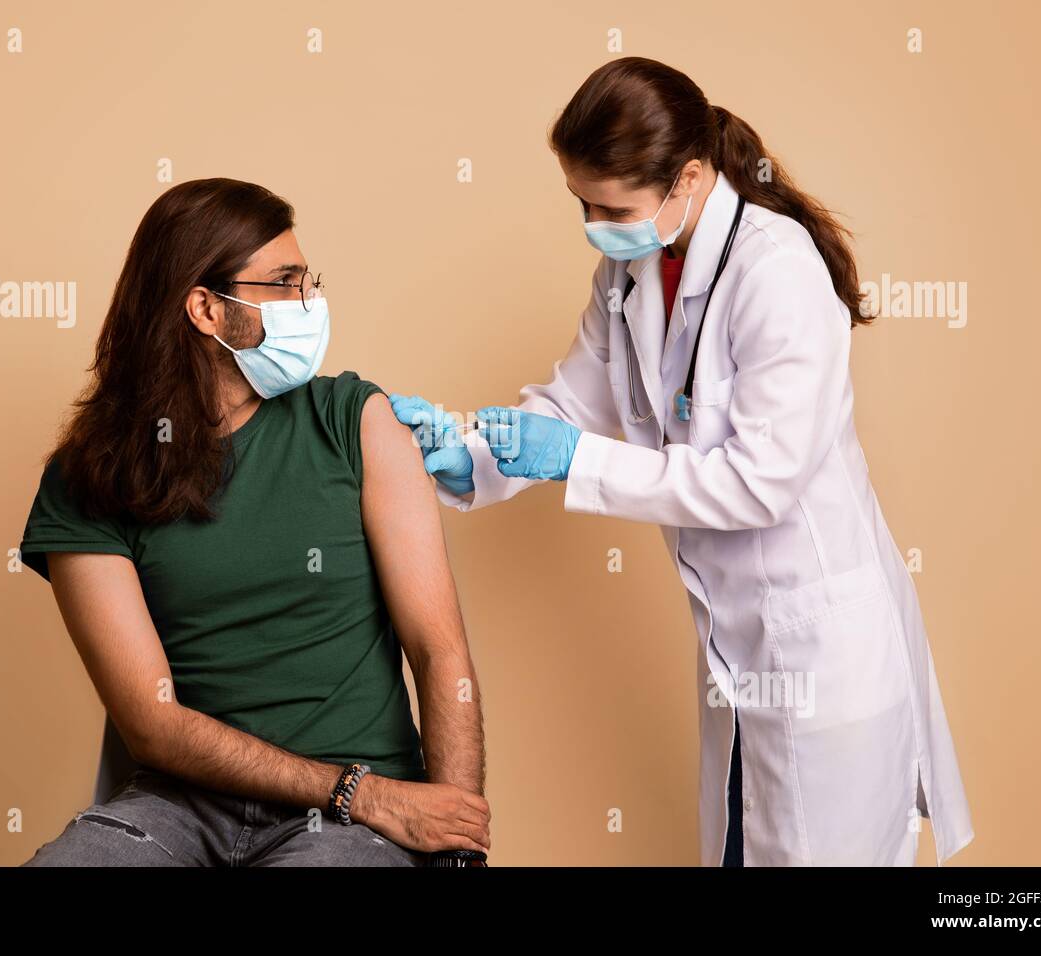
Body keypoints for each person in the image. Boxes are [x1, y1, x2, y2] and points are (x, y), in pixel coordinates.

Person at [391, 57, 973, 866]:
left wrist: (577, 462)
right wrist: (469, 455)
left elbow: (760, 482)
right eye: (581, 203)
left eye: (609, 206)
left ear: (689, 178)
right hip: (738, 663)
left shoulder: (777, 271)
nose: (593, 224)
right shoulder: (629, 272)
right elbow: (571, 404)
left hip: (820, 655)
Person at [18, 178, 489, 866]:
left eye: (310, 279)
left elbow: (439, 650)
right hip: (178, 807)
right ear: (207, 309)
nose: (311, 302)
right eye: (287, 282)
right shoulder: (91, 477)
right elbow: (151, 724)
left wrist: (456, 846)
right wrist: (355, 791)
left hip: (356, 830)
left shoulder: (354, 421)